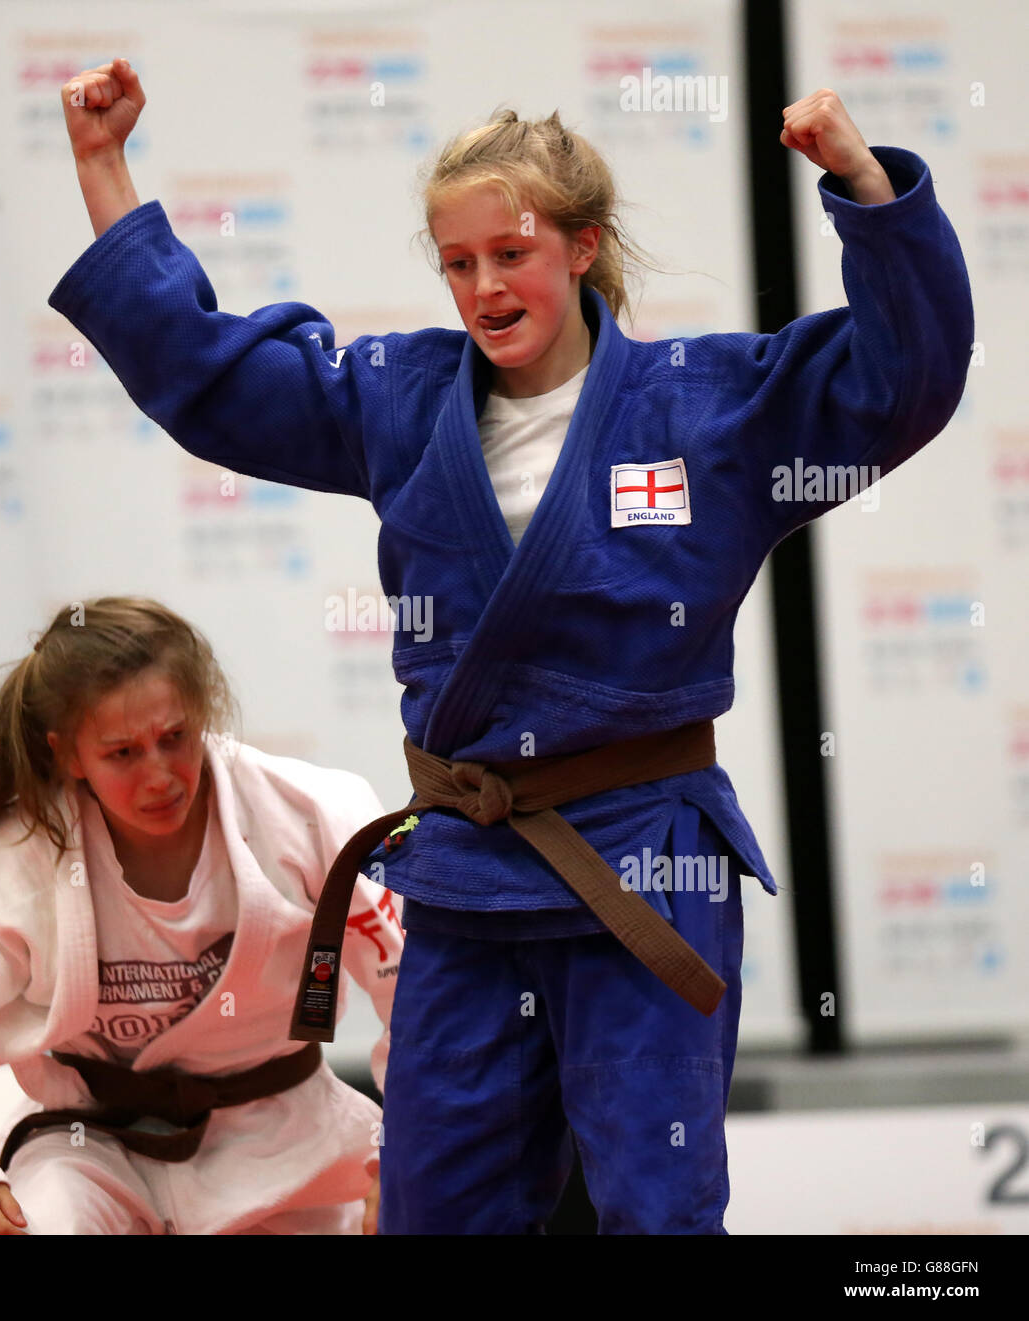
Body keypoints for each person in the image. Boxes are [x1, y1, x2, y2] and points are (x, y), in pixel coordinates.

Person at [50, 63, 973, 1233]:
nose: (483, 286)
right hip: (469, 876)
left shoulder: (708, 406)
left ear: (582, 247)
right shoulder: (402, 397)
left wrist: (864, 183)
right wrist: (102, 166)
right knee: (437, 1209)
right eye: (457, 261)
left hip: (643, 868)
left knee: (655, 1209)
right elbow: (211, 377)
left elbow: (904, 380)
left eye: (512, 253)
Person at [0, 597, 400, 1234]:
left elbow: (422, 991)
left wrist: (408, 1156)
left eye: (174, 738)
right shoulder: (9, 861)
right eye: (123, 753)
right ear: (68, 755)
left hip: (291, 1147)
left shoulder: (313, 816)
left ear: (201, 711)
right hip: (91, 1147)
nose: (160, 776)